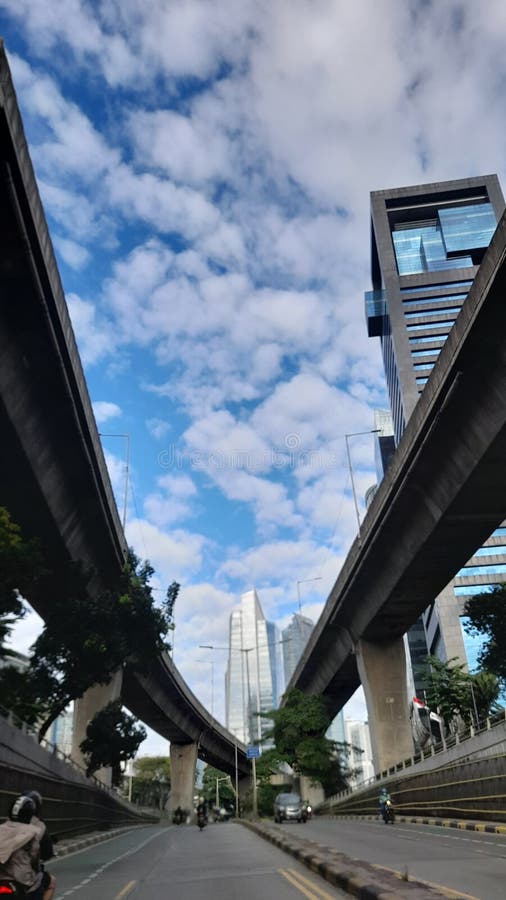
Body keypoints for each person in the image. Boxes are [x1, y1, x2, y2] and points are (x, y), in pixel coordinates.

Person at [0, 795, 43, 896]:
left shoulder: (1, 828)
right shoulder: (32, 831)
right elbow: (34, 856)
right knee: (45, 880)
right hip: (20, 879)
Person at [24, 790, 55, 900]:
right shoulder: (39, 826)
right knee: (51, 881)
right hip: (26, 877)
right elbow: (47, 853)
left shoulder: (6, 824)